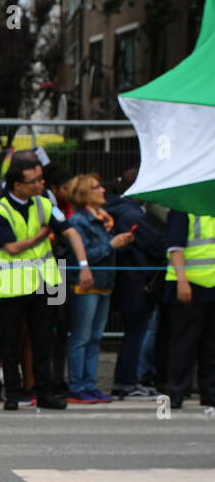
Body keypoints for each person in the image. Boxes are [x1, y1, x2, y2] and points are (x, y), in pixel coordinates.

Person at [0, 151, 94, 410]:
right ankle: (12, 394)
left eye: (41, 179)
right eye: (33, 181)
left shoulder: (45, 204)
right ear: (17, 185)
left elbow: (71, 233)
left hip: (43, 285)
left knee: (42, 341)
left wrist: (84, 265)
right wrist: (41, 235)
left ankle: (44, 393)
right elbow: (10, 248)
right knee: (10, 344)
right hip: (11, 287)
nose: (40, 184)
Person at [64, 173, 132, 404]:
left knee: (95, 338)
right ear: (84, 194)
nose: (103, 190)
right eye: (96, 187)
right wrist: (112, 244)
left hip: (104, 284)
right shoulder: (78, 222)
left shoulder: (104, 219)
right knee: (81, 337)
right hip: (86, 286)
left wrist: (118, 244)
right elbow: (85, 255)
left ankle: (89, 385)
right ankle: (77, 386)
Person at [105, 171, 165, 398]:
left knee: (135, 333)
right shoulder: (133, 215)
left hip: (128, 280)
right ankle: (128, 382)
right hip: (138, 281)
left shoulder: (116, 210)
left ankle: (128, 380)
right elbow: (155, 244)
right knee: (136, 334)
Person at [163, 208, 215, 411]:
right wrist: (182, 281)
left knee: (211, 346)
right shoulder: (183, 209)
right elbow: (175, 248)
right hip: (189, 285)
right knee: (184, 343)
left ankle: (210, 393)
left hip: (211, 284)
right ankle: (177, 392)